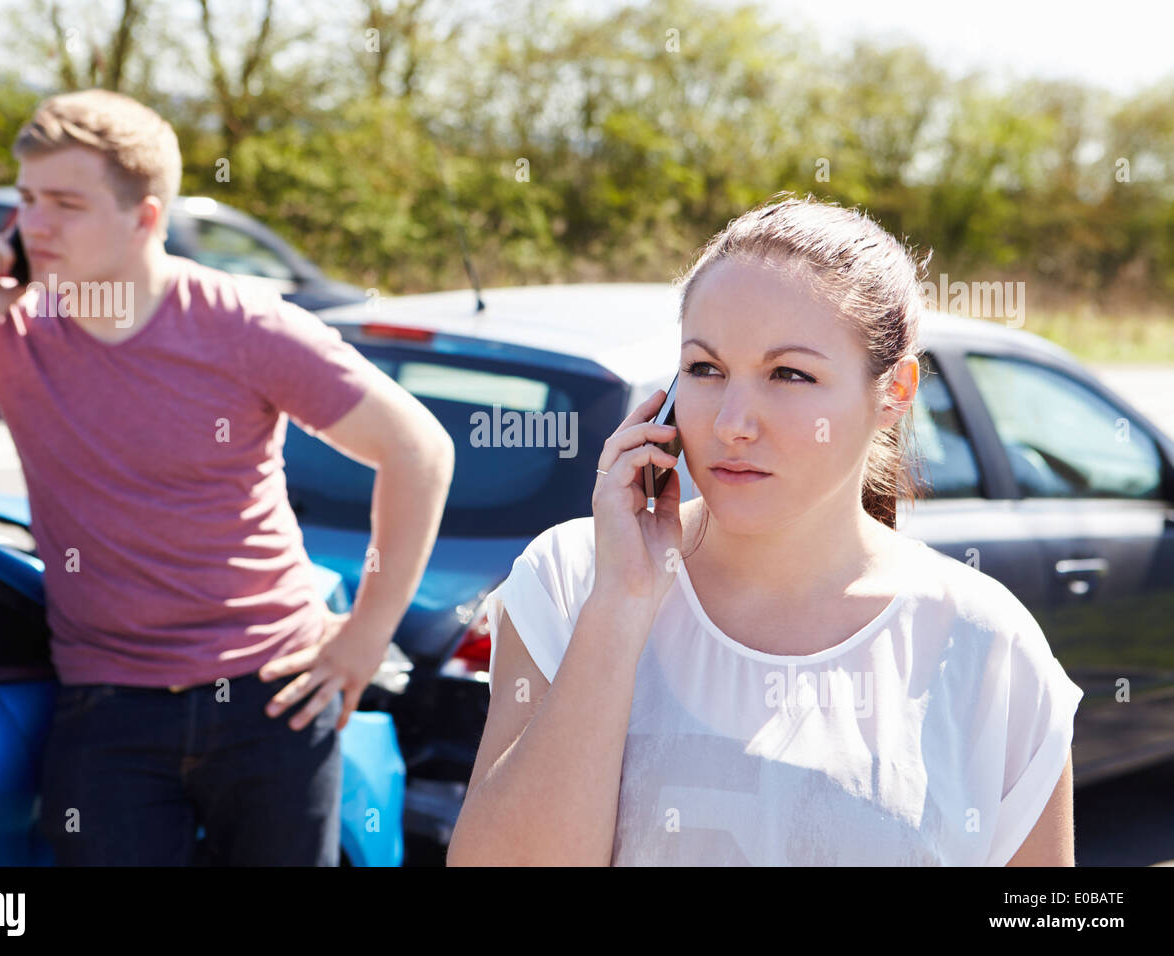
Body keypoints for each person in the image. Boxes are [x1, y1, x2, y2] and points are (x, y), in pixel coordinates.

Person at [0, 89, 455, 865]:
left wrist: (363, 640)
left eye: (65, 205)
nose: (32, 226)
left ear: (144, 218)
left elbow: (419, 451)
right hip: (108, 708)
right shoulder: (3, 325)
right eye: (26, 200)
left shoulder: (244, 324)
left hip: (272, 693)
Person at [448, 193, 1084, 866]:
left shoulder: (986, 643)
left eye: (789, 373)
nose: (731, 423)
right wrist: (622, 602)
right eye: (705, 369)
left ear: (894, 392)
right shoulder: (573, 579)